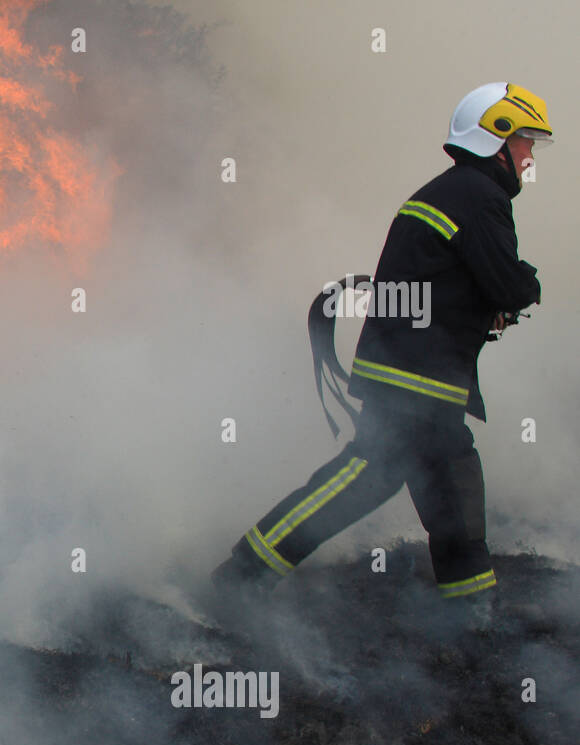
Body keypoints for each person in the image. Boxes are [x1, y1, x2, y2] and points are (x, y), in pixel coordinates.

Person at [211, 83, 551, 621]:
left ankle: (474, 613)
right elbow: (507, 283)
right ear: (497, 138)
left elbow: (453, 283)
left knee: (447, 486)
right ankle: (239, 577)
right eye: (526, 142)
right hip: (415, 378)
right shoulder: (479, 198)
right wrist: (524, 288)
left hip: (419, 376)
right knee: (370, 475)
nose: (530, 157)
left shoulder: (451, 191)